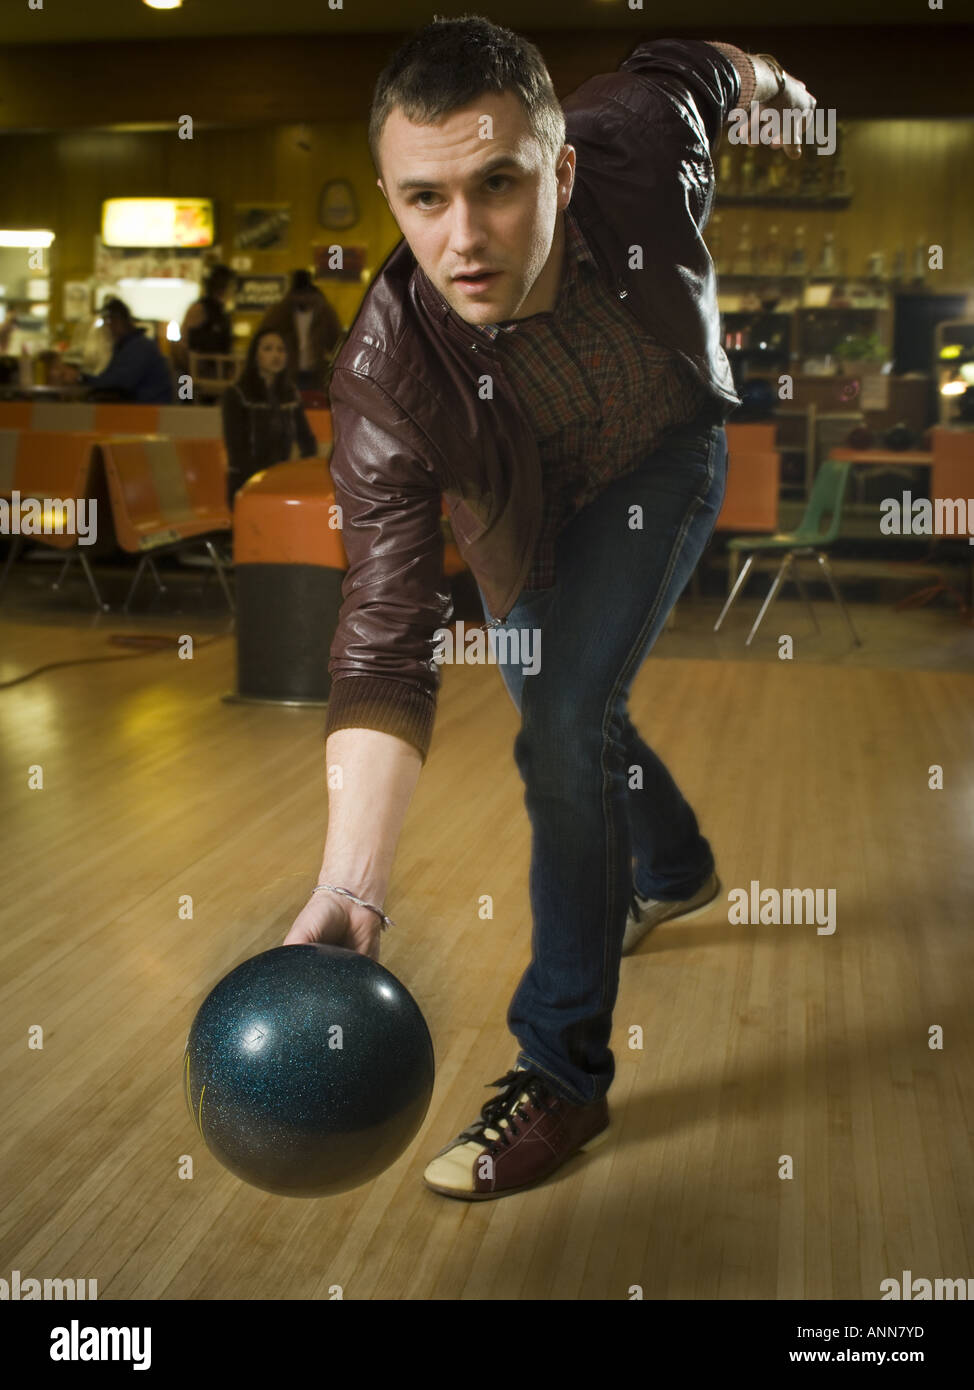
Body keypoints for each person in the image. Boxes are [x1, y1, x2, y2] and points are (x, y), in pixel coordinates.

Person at [282, 17, 816, 1200]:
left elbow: (710, 65)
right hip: (521, 526)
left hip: (659, 456)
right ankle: (671, 869)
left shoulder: (632, 137)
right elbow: (383, 624)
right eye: (422, 200)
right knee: (569, 711)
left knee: (563, 723)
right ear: (390, 193)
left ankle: (563, 1074)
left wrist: (783, 88)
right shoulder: (386, 376)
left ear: (562, 169)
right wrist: (352, 884)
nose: (460, 239)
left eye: (498, 185)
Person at [221, 327, 318, 509]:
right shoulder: (237, 394)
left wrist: (305, 474)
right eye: (268, 349)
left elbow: (306, 440)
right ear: (255, 355)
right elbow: (236, 448)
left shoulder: (291, 395)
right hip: (246, 484)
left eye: (281, 350)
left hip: (280, 482)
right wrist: (258, 482)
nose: (276, 355)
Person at [60, 298, 174, 403]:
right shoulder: (128, 346)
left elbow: (116, 384)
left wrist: (81, 378)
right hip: (143, 412)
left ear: (118, 321)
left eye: (108, 323)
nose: (107, 329)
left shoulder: (139, 348)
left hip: (148, 413)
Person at [257, 270, 343, 392]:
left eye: (304, 294)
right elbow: (264, 338)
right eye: (299, 294)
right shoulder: (279, 314)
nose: (302, 298)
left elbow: (337, 342)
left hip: (316, 373)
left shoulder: (325, 314)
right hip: (288, 373)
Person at [175, 263, 236, 378]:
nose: (234, 291)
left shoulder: (222, 311)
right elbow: (185, 345)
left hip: (215, 375)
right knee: (189, 395)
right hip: (198, 375)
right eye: (232, 286)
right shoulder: (201, 309)